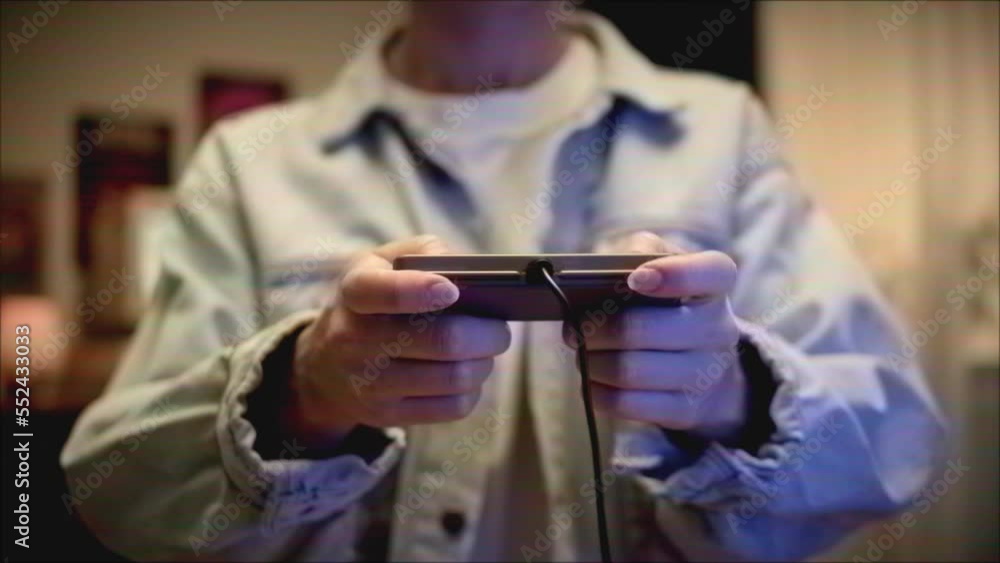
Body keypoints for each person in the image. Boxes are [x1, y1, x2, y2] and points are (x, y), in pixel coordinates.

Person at [61, 2, 946, 561]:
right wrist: (305, 390)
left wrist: (732, 393)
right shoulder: (249, 160)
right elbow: (115, 491)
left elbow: (897, 440)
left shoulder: (723, 130)